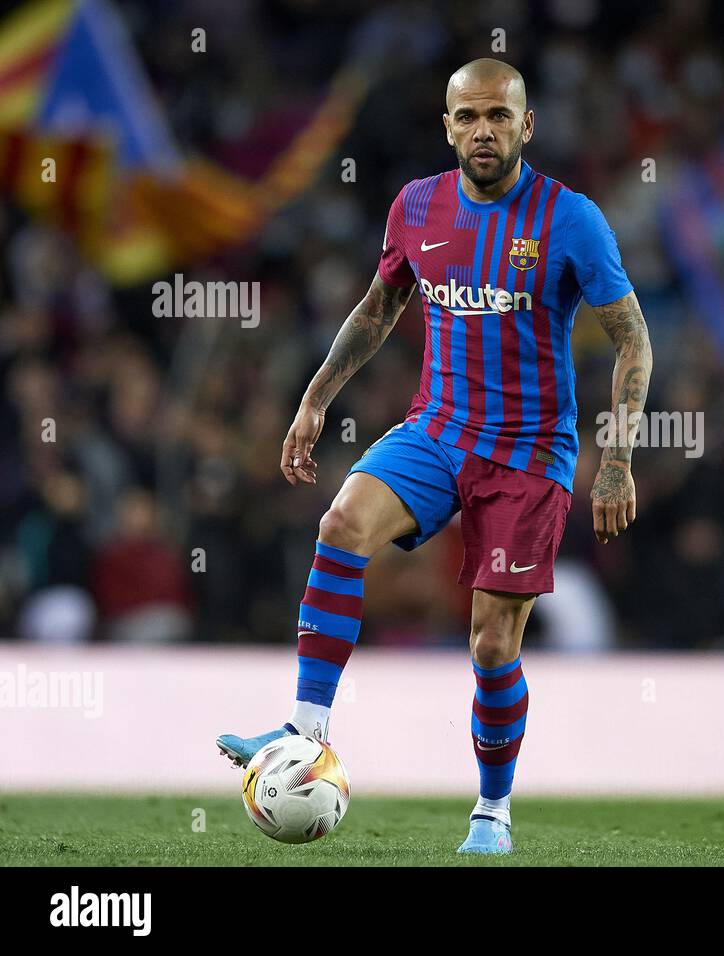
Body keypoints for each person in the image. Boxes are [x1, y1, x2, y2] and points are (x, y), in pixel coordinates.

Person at [216, 58, 652, 855]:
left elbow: (631, 337)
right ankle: (304, 732)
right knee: (343, 521)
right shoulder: (417, 206)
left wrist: (616, 459)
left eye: (498, 115)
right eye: (467, 117)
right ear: (446, 126)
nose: (483, 130)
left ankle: (492, 810)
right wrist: (316, 399)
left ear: (527, 126)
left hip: (528, 455)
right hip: (439, 430)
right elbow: (381, 305)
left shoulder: (570, 218)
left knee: (492, 645)